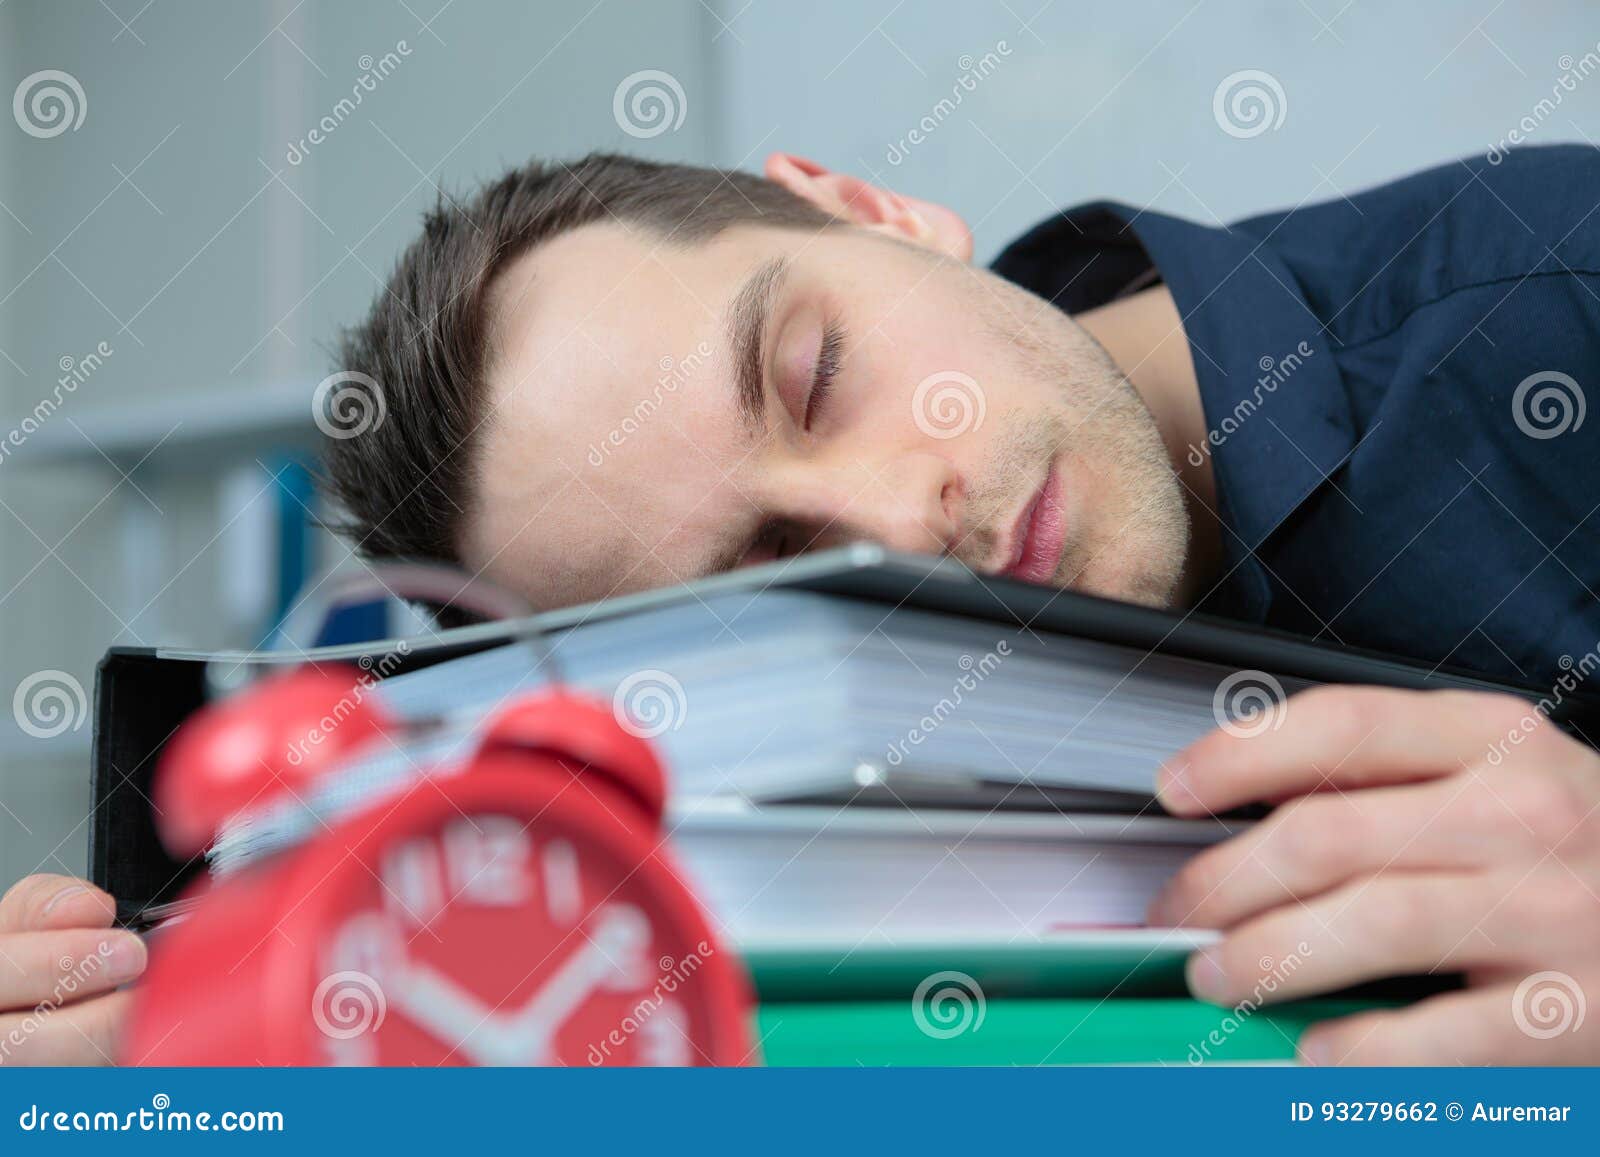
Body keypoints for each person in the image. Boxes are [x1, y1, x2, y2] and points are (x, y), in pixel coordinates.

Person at [8, 146, 1597, 1065]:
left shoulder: (1556, 314)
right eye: (777, 583)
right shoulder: (791, 823)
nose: (908, 520)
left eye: (815, 374)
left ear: (873, 206)